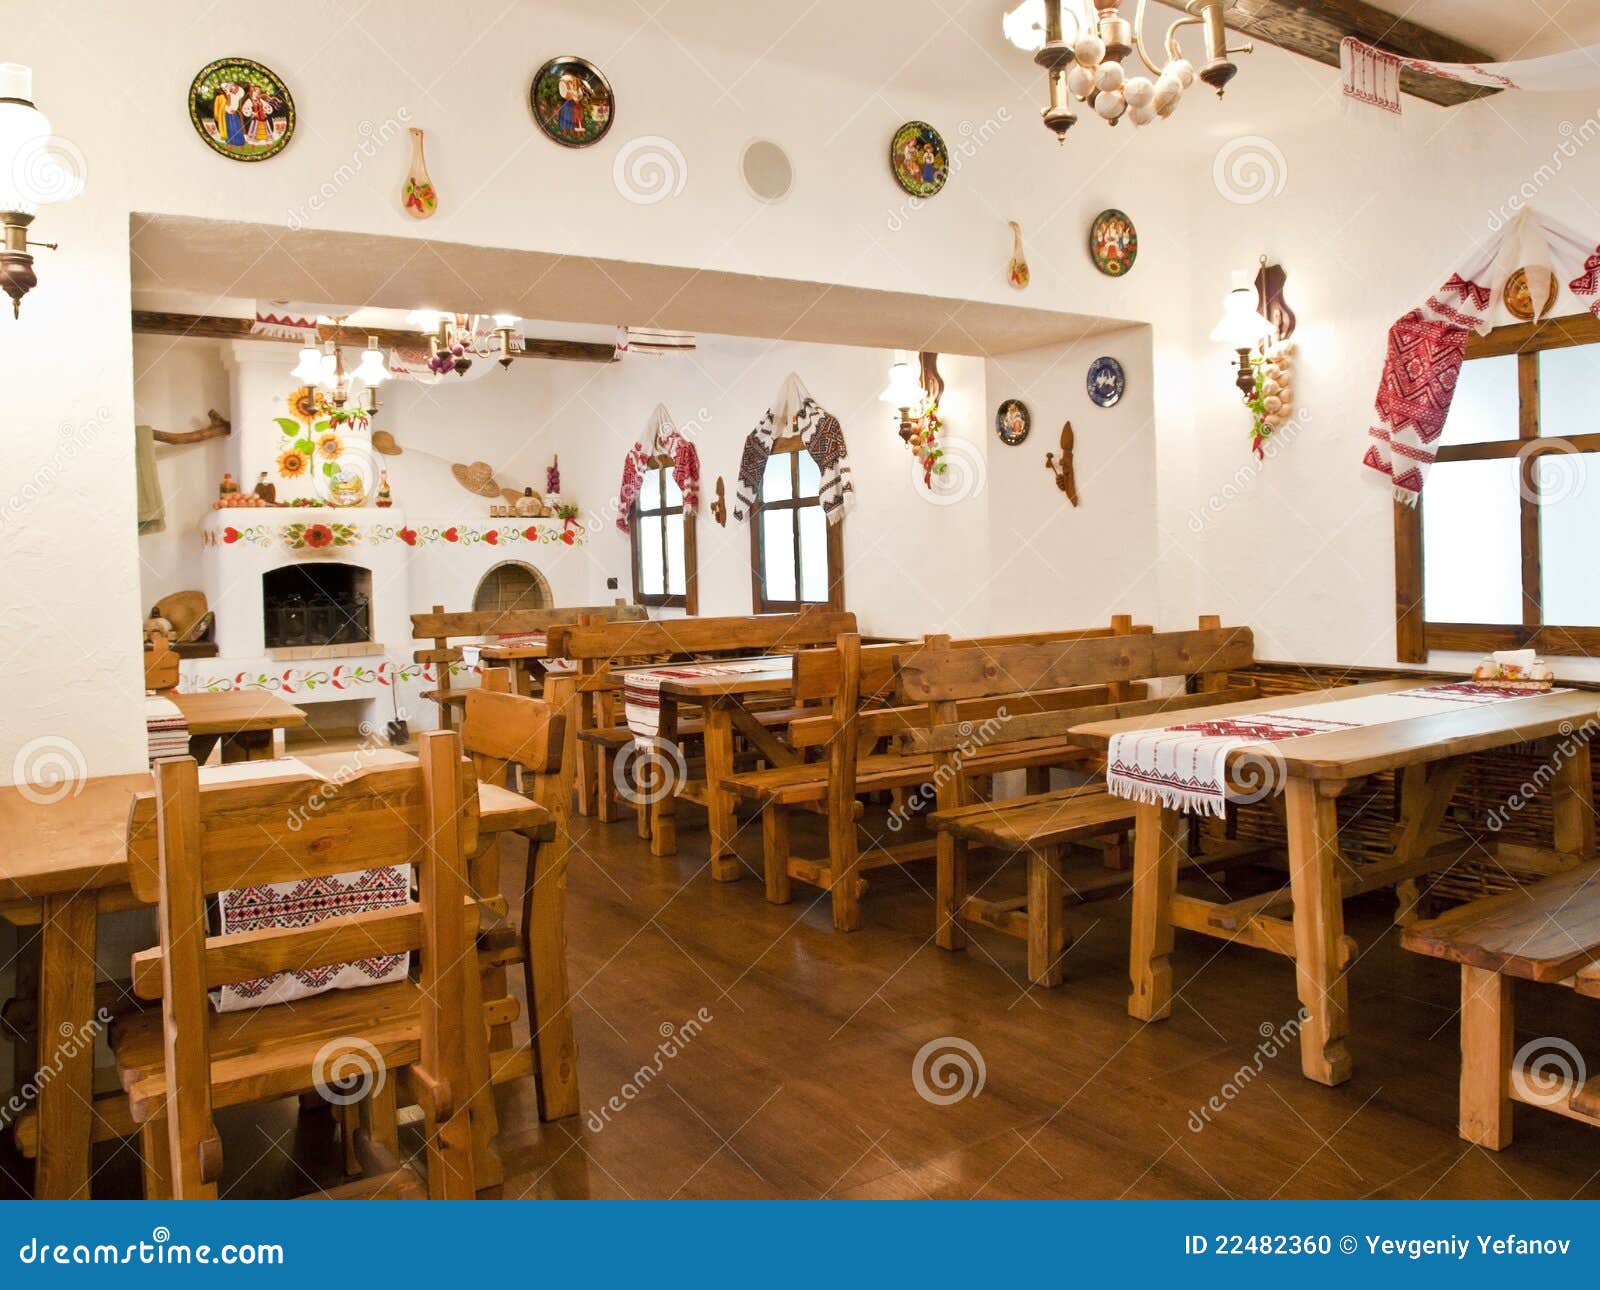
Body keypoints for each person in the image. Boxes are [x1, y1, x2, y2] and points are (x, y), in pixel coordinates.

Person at [213, 81, 246, 147]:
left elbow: (231, 102)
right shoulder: (223, 96)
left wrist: (229, 94)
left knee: (236, 127)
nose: (224, 90)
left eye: (225, 88)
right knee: (230, 128)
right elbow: (227, 104)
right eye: (223, 89)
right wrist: (228, 94)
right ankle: (231, 142)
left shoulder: (234, 94)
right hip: (227, 114)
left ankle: (239, 142)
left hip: (233, 114)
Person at [556, 71, 587, 137]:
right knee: (565, 116)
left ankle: (572, 131)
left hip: (574, 104)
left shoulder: (576, 85)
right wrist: (571, 96)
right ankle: (564, 131)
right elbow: (564, 94)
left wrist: (577, 98)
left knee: (572, 117)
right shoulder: (563, 84)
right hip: (567, 103)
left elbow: (579, 94)